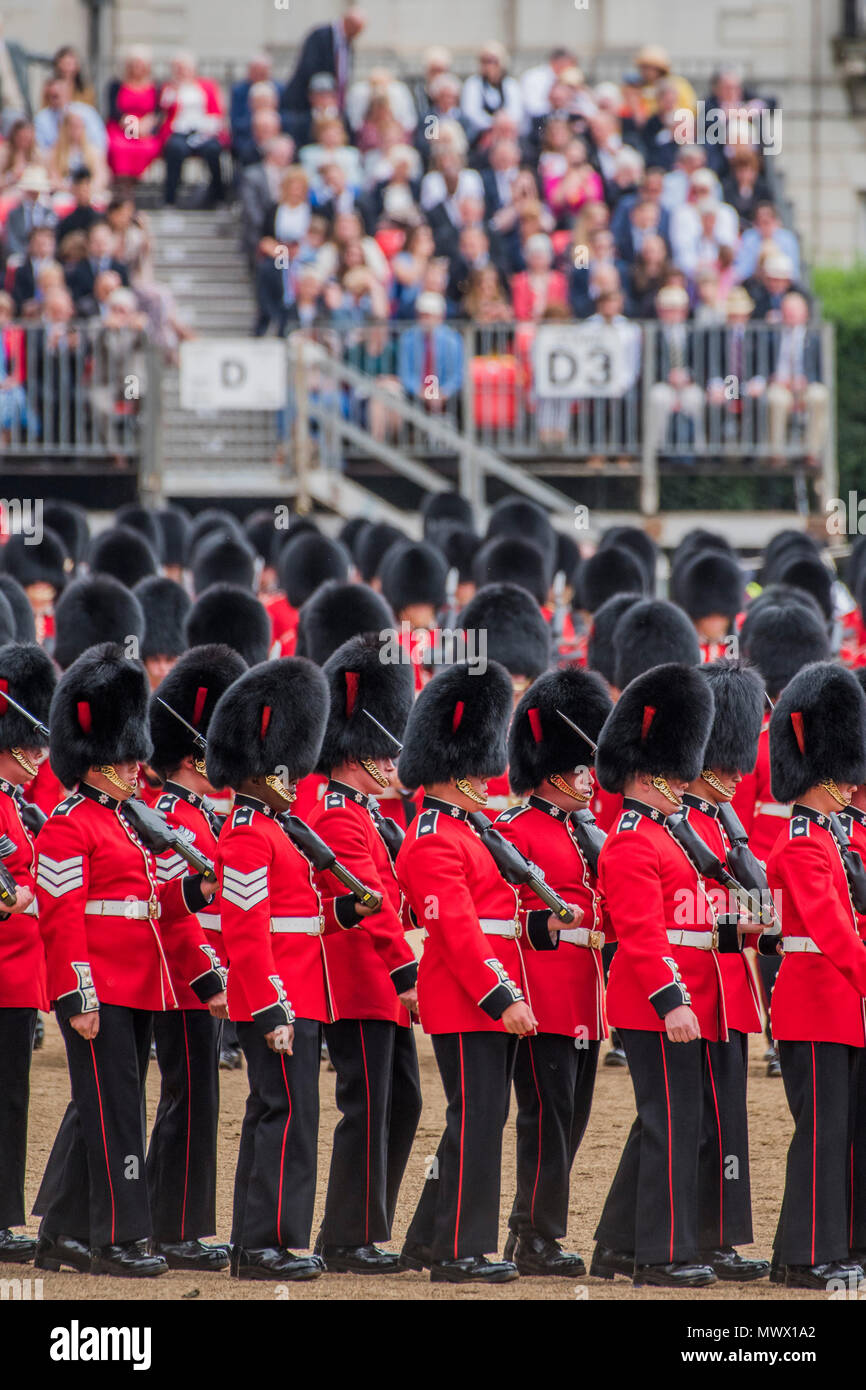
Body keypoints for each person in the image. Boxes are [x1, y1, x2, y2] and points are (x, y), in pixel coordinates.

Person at [33, 643, 217, 1276]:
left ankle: (60, 1230)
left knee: (102, 1106)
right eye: (126, 754)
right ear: (98, 757)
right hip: (98, 988)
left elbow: (154, 905)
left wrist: (194, 891)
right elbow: (61, 920)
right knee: (116, 1112)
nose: (139, 764)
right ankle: (118, 1238)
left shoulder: (128, 820)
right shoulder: (67, 824)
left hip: (139, 983)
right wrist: (77, 995)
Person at [208, 657, 377, 1280]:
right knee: (287, 1118)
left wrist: (346, 911)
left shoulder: (279, 829)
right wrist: (273, 1006)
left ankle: (252, 1240)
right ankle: (266, 1245)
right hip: (278, 997)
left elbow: (298, 919)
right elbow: (246, 931)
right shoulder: (250, 833)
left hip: (296, 990)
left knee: (275, 1114)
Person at [395, 660, 546, 1284]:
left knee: (480, 1118)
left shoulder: (468, 828)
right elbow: (457, 935)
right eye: (478, 769)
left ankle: (430, 1238)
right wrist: (501, 996)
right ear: (454, 768)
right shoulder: (433, 837)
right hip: (467, 998)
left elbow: (497, 916)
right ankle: (459, 1252)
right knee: (477, 1117)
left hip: (484, 990)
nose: (490, 779)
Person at [590, 662, 723, 1288]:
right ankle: (662, 1255)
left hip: (679, 995)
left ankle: (617, 1245)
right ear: (647, 774)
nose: (684, 779)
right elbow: (642, 935)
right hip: (654, 1004)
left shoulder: (666, 834)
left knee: (663, 1122)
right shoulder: (630, 841)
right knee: (672, 1123)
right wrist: (673, 1001)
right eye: (673, 770)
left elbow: (689, 912)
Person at [308, 634, 421, 1272]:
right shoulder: (337, 815)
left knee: (401, 1101)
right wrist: (406, 969)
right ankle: (347, 1238)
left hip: (381, 983)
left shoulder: (369, 813)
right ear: (362, 751)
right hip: (358, 981)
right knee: (370, 1103)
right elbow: (368, 901)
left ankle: (362, 1228)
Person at [495, 667, 613, 1276]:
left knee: (571, 1118)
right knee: (546, 1118)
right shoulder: (514, 831)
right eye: (580, 767)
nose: (590, 779)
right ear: (551, 770)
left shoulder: (587, 830)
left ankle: (533, 1228)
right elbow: (506, 915)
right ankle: (536, 1236)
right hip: (543, 995)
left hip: (586, 994)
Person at [145, 644, 247, 1270]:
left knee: (193, 1099)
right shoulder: (169, 818)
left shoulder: (195, 814)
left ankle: (168, 1222)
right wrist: (209, 979)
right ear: (193, 754)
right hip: (181, 979)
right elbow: (173, 912)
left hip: (197, 976)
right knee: (190, 1100)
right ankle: (174, 1230)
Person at [767, 663, 866, 1289]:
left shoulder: (833, 837)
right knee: (822, 1134)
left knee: (843, 1130)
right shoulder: (803, 842)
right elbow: (830, 930)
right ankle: (804, 1256)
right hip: (814, 1001)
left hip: (840, 1003)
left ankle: (827, 1247)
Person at [680, 660, 769, 1280]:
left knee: (723, 1116)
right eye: (729, 761)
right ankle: (704, 1237)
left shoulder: (721, 820)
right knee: (696, 1119)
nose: (739, 774)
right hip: (694, 982)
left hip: (729, 984)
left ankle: (717, 1237)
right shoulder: (683, 822)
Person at [0, 643, 56, 1263]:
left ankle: (3, 1216)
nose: (39, 758)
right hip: (3, 971)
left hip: (18, 975)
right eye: (31, 746)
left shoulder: (16, 802)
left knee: (12, 1098)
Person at [159, 54, 228, 207]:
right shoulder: (169, 88)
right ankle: (170, 199)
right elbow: (164, 108)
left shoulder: (207, 86)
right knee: (175, 149)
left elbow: (216, 112)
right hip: (179, 131)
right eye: (178, 69)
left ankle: (219, 197)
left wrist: (211, 129)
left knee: (213, 150)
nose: (182, 72)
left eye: (185, 68)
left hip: (204, 131)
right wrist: (174, 89)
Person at [282, 8, 367, 114]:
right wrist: (324, 95)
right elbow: (309, 69)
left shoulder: (348, 44)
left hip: (335, 104)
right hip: (306, 105)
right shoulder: (320, 36)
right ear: (349, 24)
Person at [106, 46, 165, 182]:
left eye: (140, 64)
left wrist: (146, 126)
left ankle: (135, 183)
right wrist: (130, 124)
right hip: (121, 128)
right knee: (118, 148)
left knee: (148, 147)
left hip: (145, 130)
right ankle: (122, 185)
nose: (136, 68)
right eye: (133, 64)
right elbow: (113, 110)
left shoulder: (156, 87)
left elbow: (158, 112)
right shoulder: (116, 85)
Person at [397, 291, 464, 411]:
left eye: (430, 315)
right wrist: (421, 392)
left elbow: (457, 375)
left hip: (447, 396)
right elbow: (405, 373)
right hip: (415, 396)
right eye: (422, 315)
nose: (426, 320)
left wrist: (443, 393)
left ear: (440, 317)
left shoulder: (453, 340)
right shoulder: (408, 338)